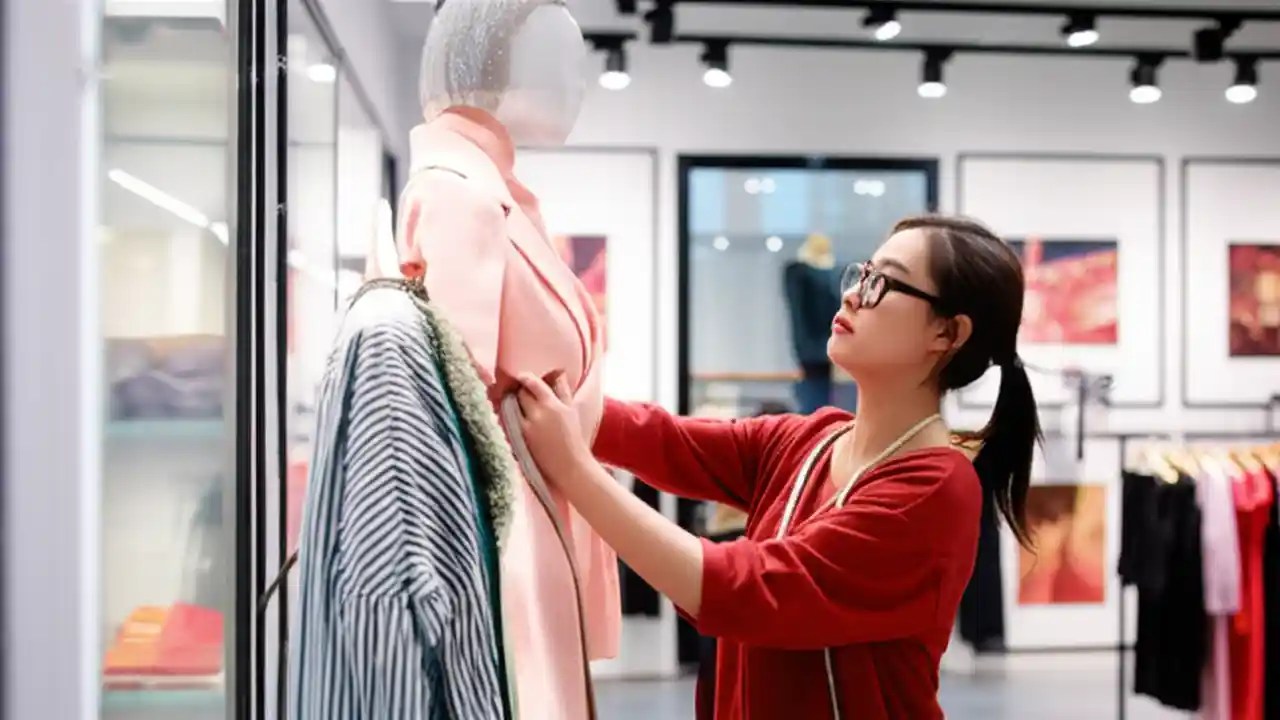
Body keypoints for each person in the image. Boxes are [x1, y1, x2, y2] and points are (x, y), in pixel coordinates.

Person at [513, 214, 1042, 719]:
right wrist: (533, 383)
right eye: (863, 274)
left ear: (947, 334)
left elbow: (745, 590)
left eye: (885, 284)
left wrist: (575, 470)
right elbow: (663, 440)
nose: (853, 295)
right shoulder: (811, 439)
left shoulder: (935, 490)